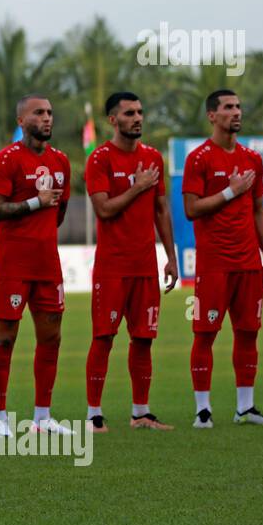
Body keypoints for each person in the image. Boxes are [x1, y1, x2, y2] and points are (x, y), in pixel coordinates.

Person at [83, 92, 179, 432]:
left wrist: (170, 256)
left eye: (140, 112)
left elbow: (161, 209)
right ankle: (94, 414)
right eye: (129, 113)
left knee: (144, 338)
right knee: (104, 338)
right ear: (113, 120)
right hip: (112, 267)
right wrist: (137, 186)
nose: (137, 118)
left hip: (144, 266)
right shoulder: (99, 159)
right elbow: (104, 209)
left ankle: (141, 413)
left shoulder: (153, 157)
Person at [182, 89, 263, 427]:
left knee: (249, 332)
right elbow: (191, 209)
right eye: (228, 107)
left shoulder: (252, 158)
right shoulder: (199, 158)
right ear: (212, 115)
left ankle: (245, 408)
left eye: (238, 106)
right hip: (214, 264)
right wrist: (229, 191)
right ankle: (203, 410)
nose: (236, 112)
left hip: (248, 264)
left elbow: (258, 210)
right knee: (205, 334)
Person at [0, 94, 73, 436]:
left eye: (50, 112)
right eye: (39, 113)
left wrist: (43, 215)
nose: (47, 118)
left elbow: (60, 213)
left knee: (51, 338)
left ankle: (42, 417)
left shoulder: (62, 161)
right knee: (4, 338)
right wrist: (36, 202)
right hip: (13, 265)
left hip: (48, 265)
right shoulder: (7, 159)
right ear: (22, 120)